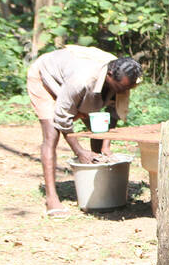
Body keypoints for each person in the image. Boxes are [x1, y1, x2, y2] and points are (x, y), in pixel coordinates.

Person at [27, 47, 141, 217]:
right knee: (51, 135)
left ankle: (100, 188)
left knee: (98, 129)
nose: (125, 92)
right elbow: (62, 117)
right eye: (121, 88)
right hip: (47, 78)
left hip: (77, 85)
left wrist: (105, 148)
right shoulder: (82, 80)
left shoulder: (124, 80)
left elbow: (114, 113)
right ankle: (52, 199)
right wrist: (79, 151)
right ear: (109, 76)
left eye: (128, 88)